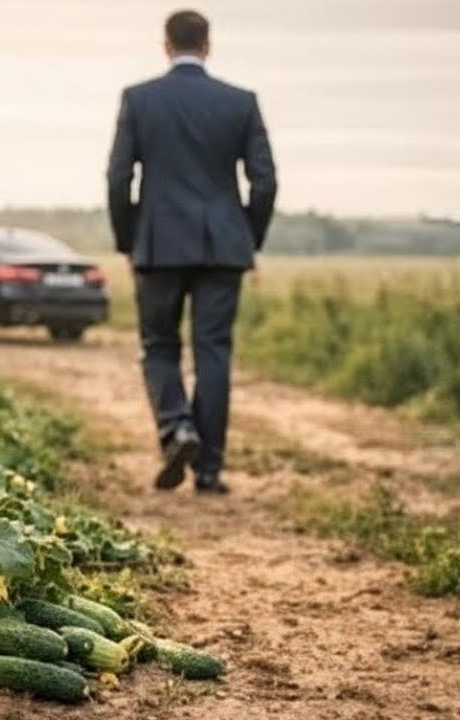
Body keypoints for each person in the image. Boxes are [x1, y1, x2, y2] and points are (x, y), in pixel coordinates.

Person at [106, 9, 277, 495]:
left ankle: (177, 426)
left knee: (159, 345)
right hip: (223, 245)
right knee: (213, 352)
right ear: (208, 44)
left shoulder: (139, 100)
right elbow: (265, 181)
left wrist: (128, 239)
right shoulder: (241, 102)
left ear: (166, 44)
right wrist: (248, 237)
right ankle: (209, 471)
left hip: (158, 245)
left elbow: (119, 178)